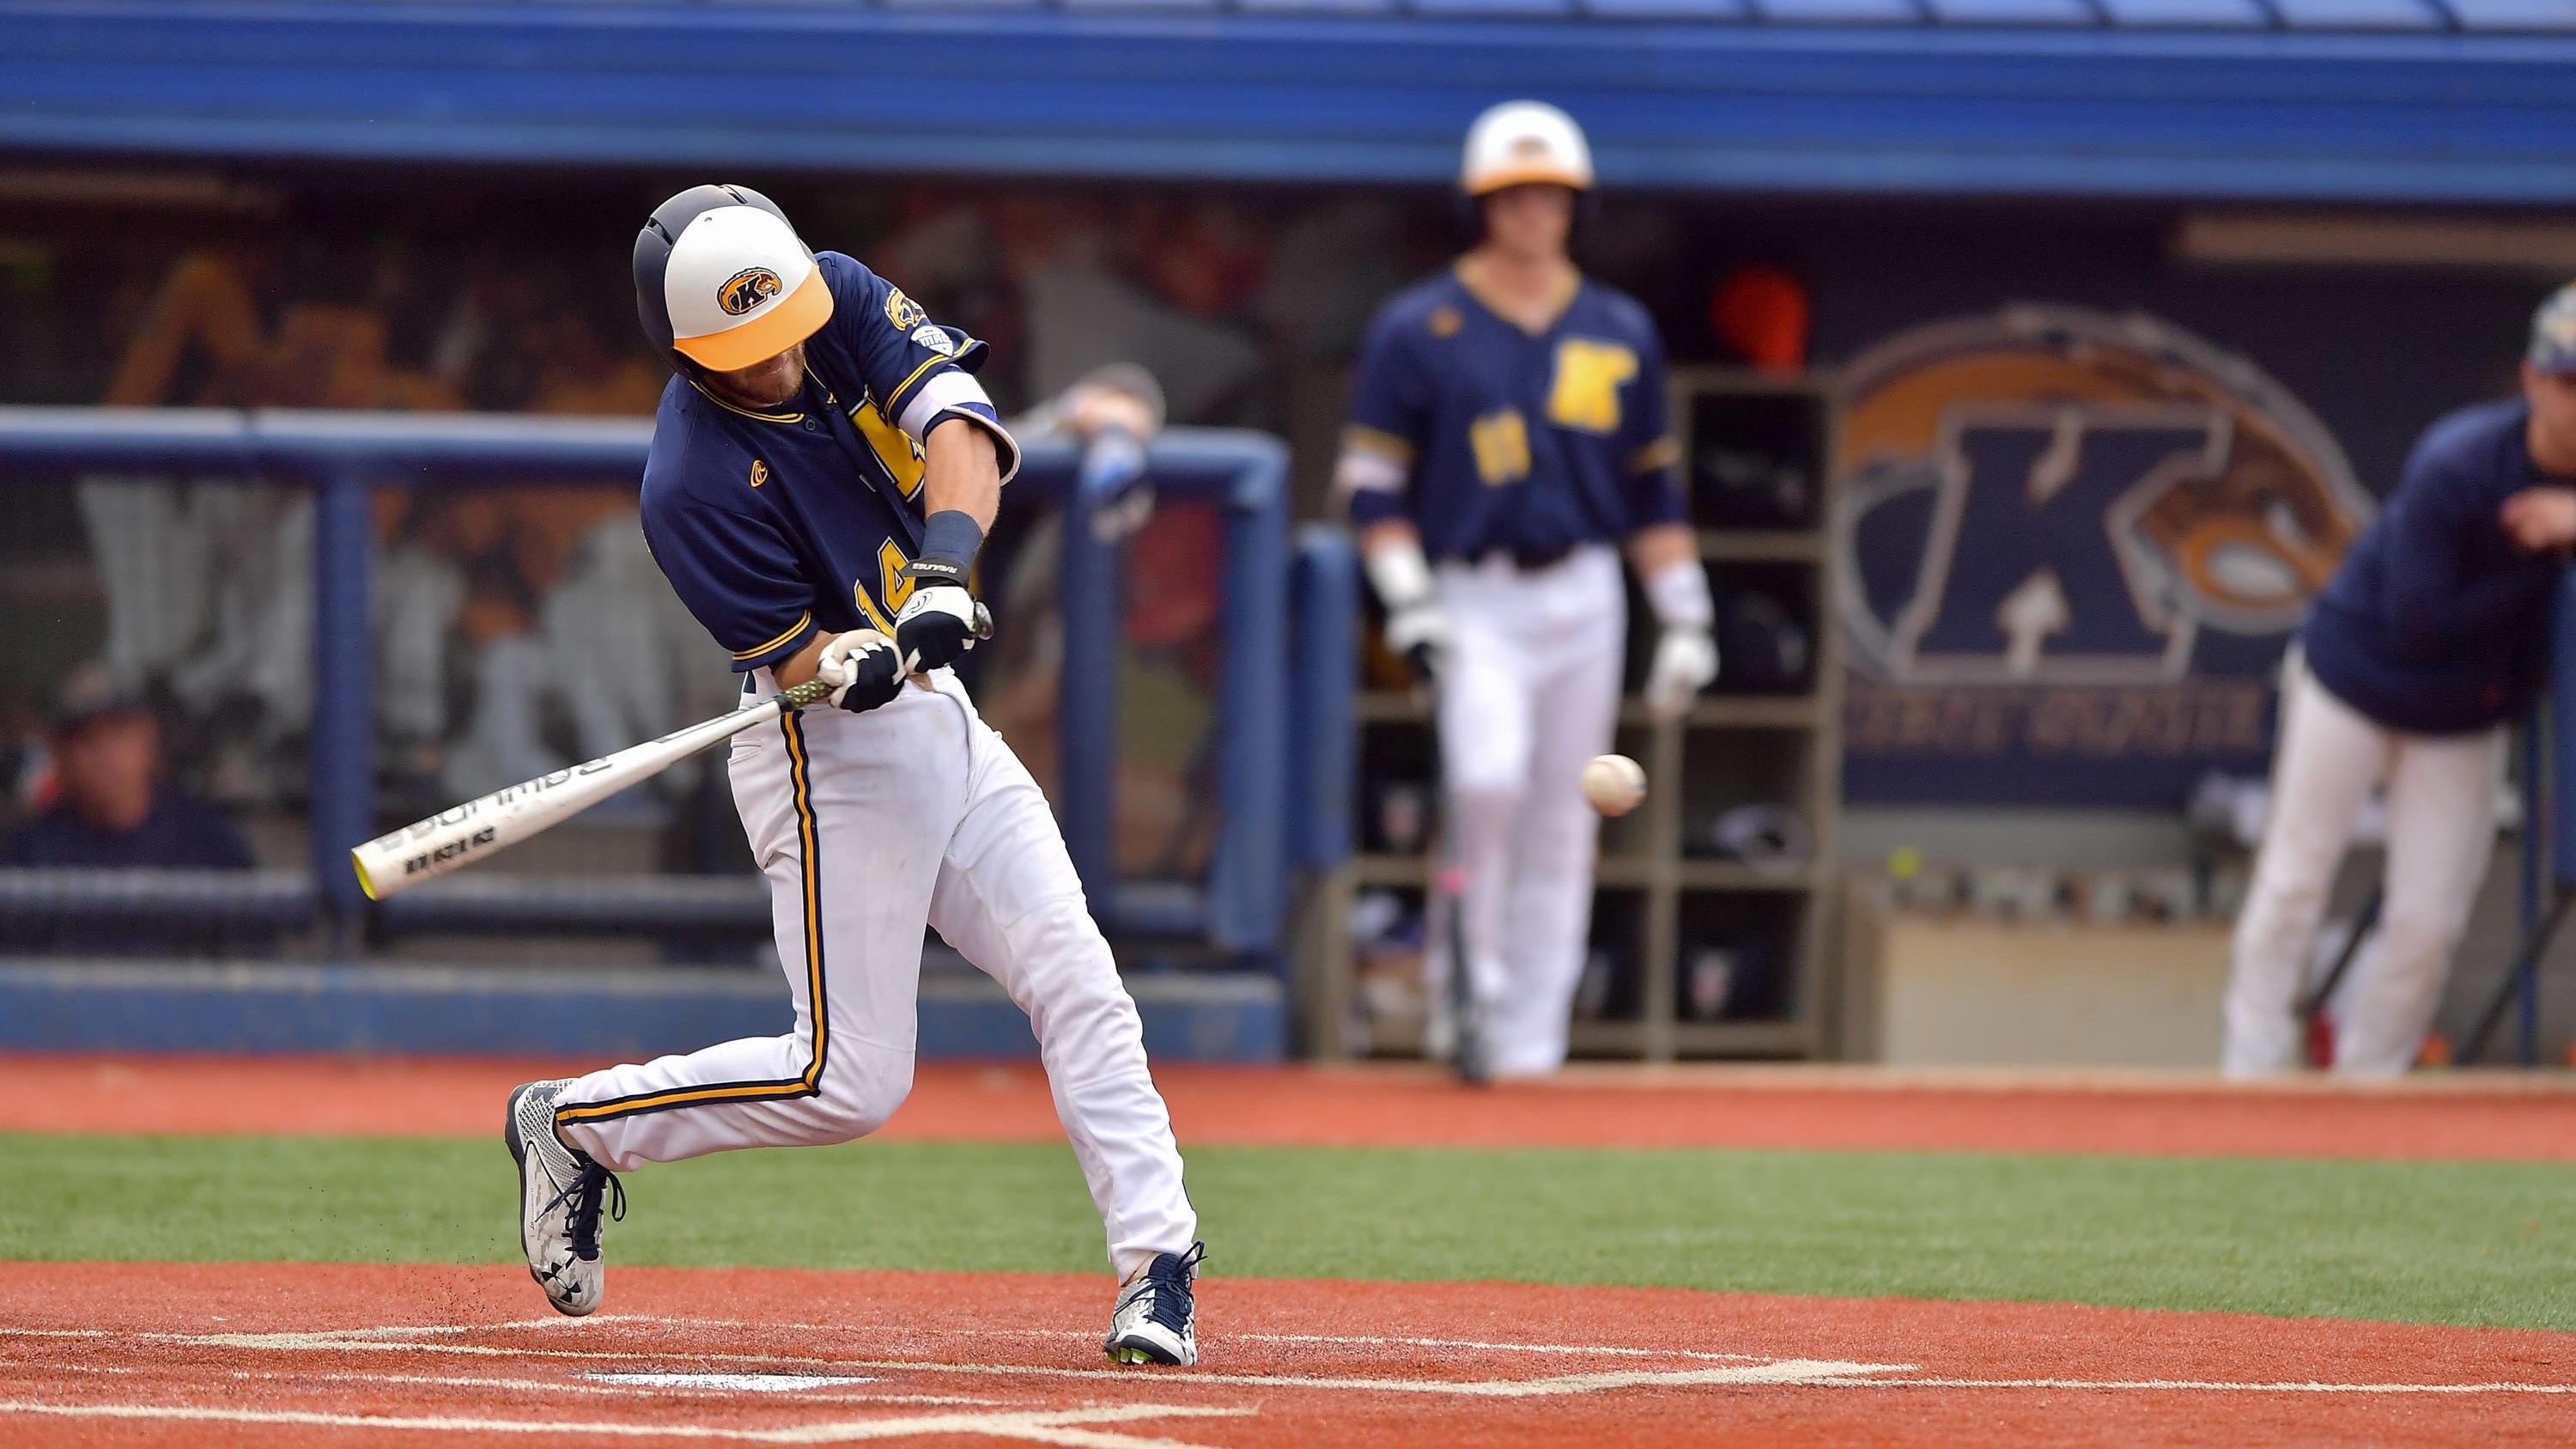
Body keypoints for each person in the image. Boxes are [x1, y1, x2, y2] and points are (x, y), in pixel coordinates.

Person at [501, 186, 1204, 1367]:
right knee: (847, 1080)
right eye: (745, 350)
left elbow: (960, 429)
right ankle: (573, 1121)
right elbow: (800, 661)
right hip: (820, 747)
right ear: (686, 351)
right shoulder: (688, 486)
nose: (778, 360)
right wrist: (853, 659)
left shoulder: (828, 290)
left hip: (943, 717)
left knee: (1079, 976)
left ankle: (1158, 1264)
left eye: (785, 330)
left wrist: (944, 571)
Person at [1336, 101, 1716, 1080]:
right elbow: (1371, 484)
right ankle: (1466, 1000)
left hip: (1587, 591)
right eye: (1515, 194)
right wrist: (1408, 598)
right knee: (1484, 784)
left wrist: (1686, 616)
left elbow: (1653, 493)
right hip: (1473, 593)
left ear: (1575, 204)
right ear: (1483, 204)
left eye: (1551, 194)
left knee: (1566, 816)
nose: (1535, 211)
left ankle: (1535, 1040)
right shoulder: (1419, 325)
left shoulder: (1618, 326)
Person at [2222, 282, 2576, 1077]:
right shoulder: (2460, 461)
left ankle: (2371, 1095)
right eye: (2569, 381)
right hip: (2356, 681)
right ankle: (2246, 1080)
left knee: (2426, 922)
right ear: (2533, 381)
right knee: (2291, 884)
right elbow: (2421, 624)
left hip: (2464, 718)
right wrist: (2544, 552)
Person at [1, 662, 261, 953]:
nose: (105, 755)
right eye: (86, 739)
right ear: (60, 754)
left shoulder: (210, 846)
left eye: (118, 733)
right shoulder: (26, 856)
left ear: (147, 737)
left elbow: (251, 977)